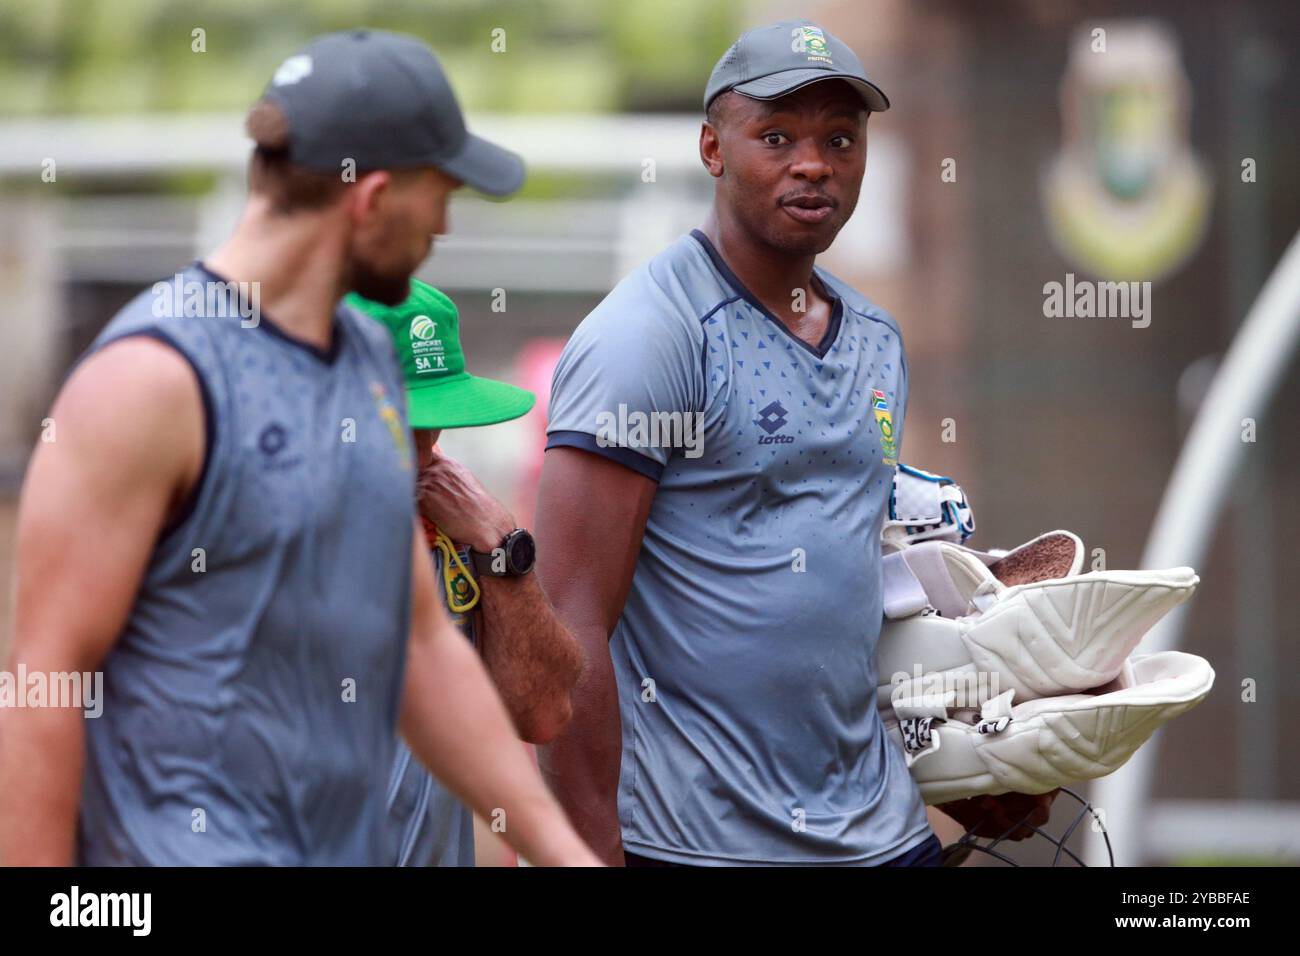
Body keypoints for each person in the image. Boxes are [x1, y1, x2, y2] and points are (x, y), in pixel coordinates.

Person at [0, 29, 596, 867]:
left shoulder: (366, 362)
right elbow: (44, 681)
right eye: (441, 196)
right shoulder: (150, 381)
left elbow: (424, 646)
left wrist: (559, 854)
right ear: (374, 196)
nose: (446, 226)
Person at [536, 18, 1055, 867]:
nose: (812, 162)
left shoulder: (877, 339)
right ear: (713, 148)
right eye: (775, 136)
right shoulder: (649, 335)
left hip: (882, 837)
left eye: (839, 139)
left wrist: (969, 764)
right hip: (700, 845)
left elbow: (858, 587)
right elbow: (569, 624)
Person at [349, 280, 583, 866]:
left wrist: (504, 548)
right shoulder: (252, 539)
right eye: (405, 424)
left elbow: (544, 712)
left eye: (437, 423)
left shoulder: (448, 534)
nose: (427, 451)